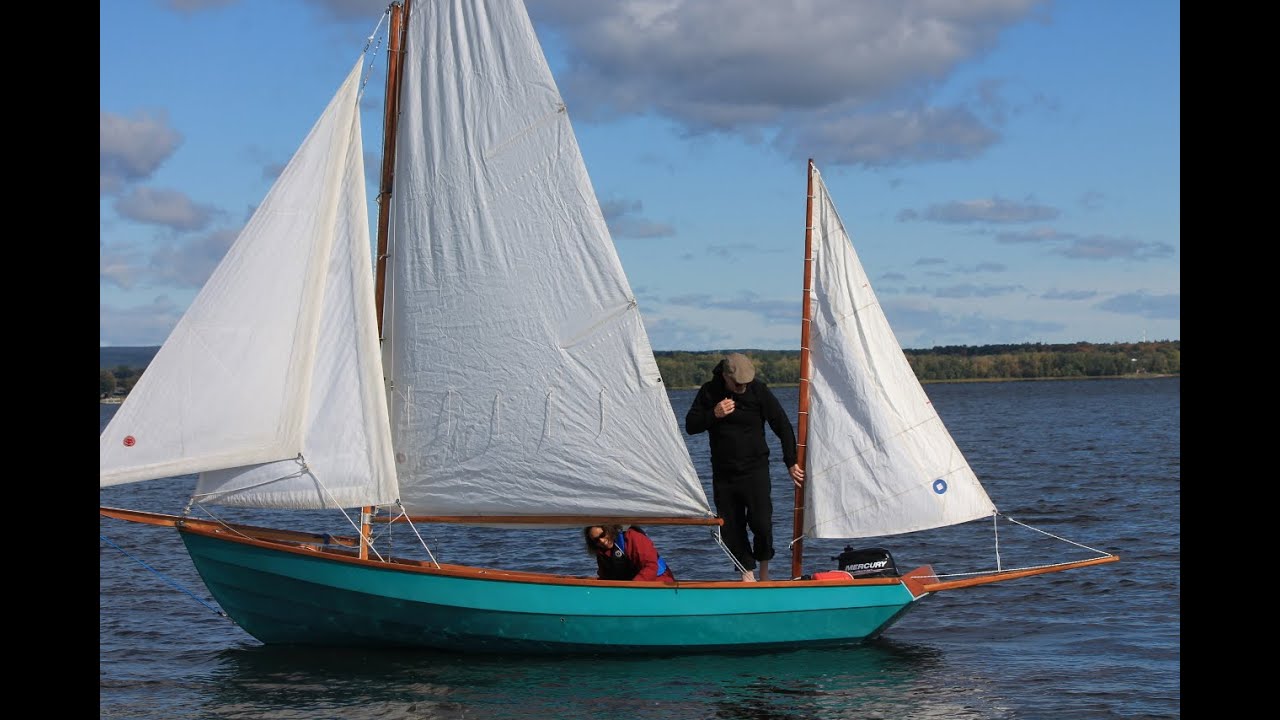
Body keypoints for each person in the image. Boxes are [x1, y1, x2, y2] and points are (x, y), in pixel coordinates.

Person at [685, 353, 803, 582]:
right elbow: (690, 425)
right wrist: (714, 414)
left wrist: (791, 462)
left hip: (755, 470)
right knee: (731, 527)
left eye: (746, 383)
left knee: (762, 523)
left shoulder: (758, 390)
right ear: (726, 376)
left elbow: (783, 426)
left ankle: (765, 573)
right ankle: (747, 575)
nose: (742, 388)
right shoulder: (709, 392)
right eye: (738, 384)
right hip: (724, 473)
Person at [583, 524, 675, 583]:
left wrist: (632, 587)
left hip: (658, 581)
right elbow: (605, 576)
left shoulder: (633, 537)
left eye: (602, 535)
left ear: (609, 529)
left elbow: (650, 566)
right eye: (596, 540)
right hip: (631, 587)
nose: (602, 541)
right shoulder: (601, 551)